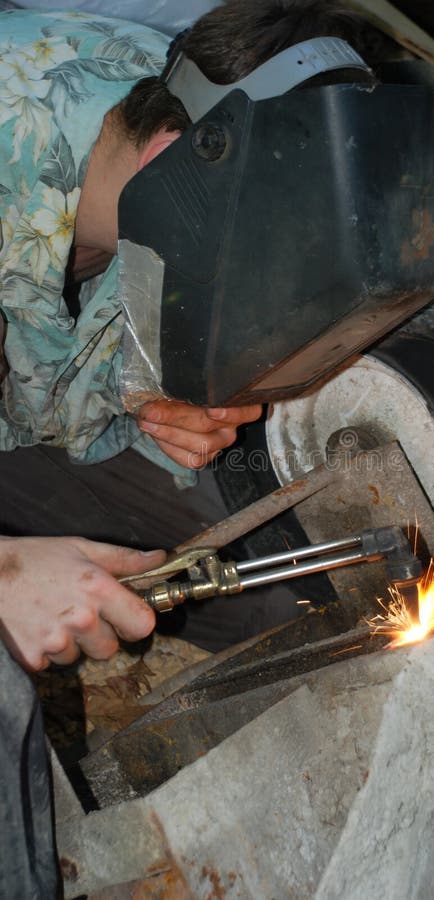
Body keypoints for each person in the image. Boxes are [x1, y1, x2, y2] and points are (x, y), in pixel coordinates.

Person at [1, 3, 386, 890]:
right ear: (173, 162)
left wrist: (164, 404)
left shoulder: (210, 132)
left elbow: (84, 372)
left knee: (309, 624)